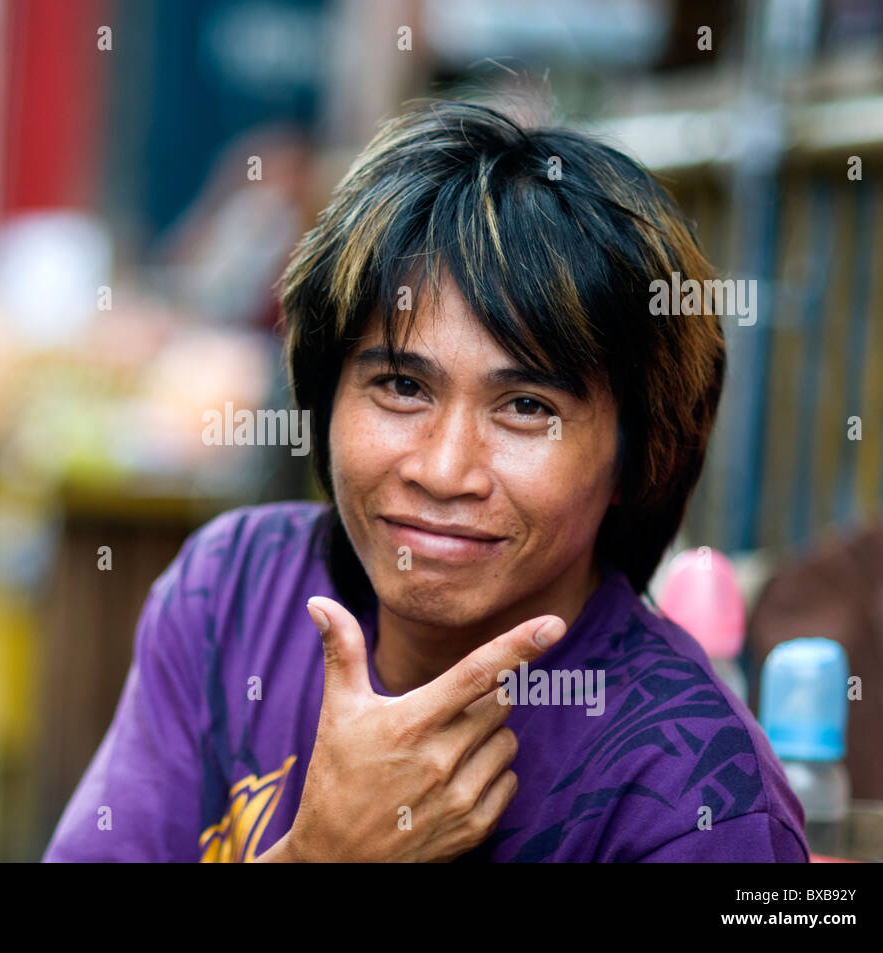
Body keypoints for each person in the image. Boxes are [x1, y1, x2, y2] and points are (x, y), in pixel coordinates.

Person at [42, 100, 809, 862]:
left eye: (526, 407)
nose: (444, 470)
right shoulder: (235, 595)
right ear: (324, 395)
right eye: (403, 386)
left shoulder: (696, 800)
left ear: (633, 459)